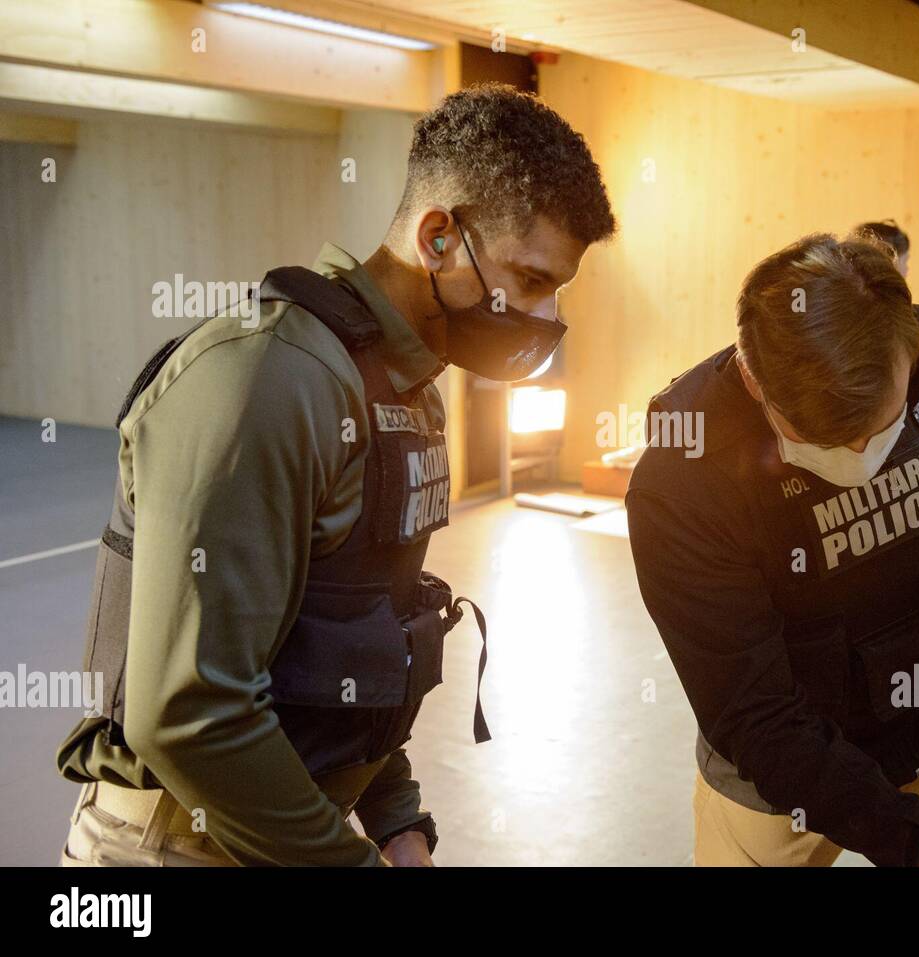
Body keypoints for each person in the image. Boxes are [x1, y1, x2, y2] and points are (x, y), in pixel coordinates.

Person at [54, 84, 615, 867]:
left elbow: (357, 635)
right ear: (439, 237)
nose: (544, 316)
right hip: (176, 844)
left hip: (293, 828)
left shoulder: (406, 387)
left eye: (556, 291)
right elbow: (189, 712)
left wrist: (397, 817)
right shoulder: (268, 382)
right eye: (527, 280)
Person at [626, 232, 919, 866]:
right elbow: (754, 714)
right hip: (780, 782)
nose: (864, 456)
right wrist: (913, 842)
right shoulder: (683, 479)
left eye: (882, 427)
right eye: (831, 439)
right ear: (755, 380)